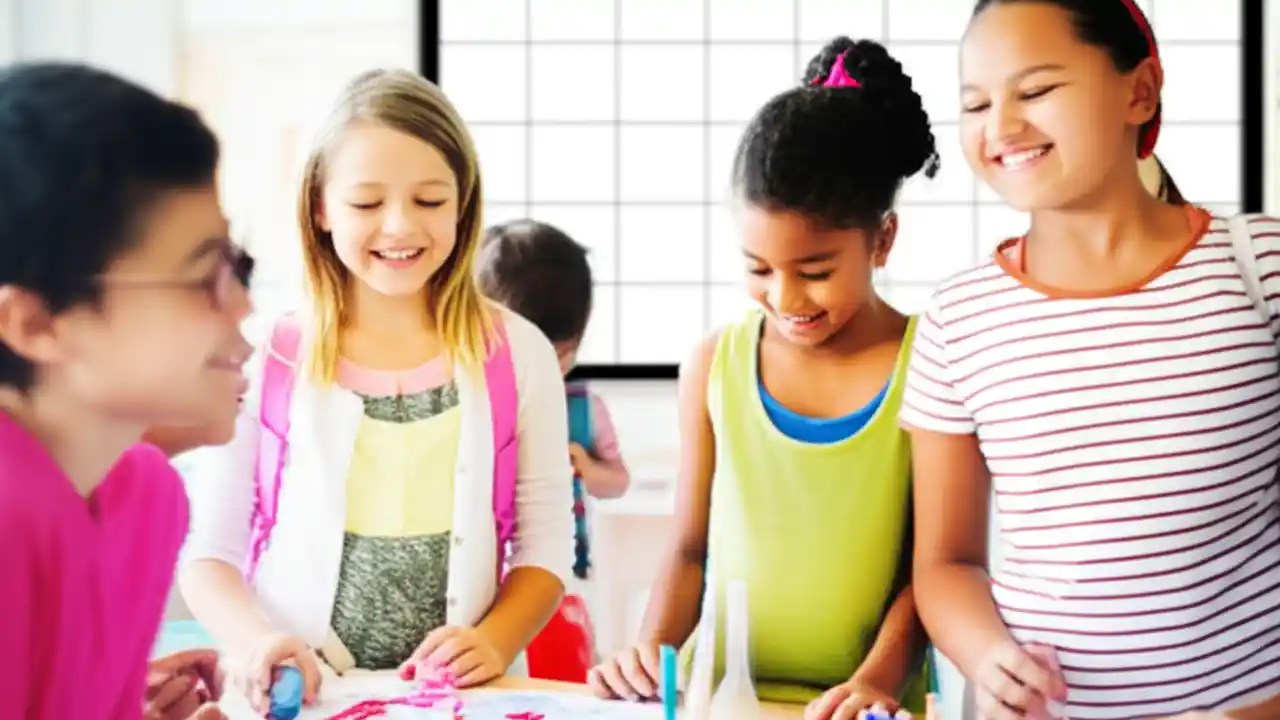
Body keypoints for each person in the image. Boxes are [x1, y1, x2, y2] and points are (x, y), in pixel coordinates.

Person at [902, 2, 1280, 719]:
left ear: (1139, 92)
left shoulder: (1259, 264)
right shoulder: (957, 319)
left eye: (1036, 90)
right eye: (976, 103)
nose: (1001, 126)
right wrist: (988, 656)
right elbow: (945, 564)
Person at [178, 68, 575, 714]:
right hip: (299, 695)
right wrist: (258, 643)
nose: (399, 227)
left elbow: (546, 543)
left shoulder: (518, 351)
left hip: (465, 700)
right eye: (366, 204)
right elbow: (208, 554)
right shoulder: (266, 353)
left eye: (429, 200)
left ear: (464, 203)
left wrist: (495, 642)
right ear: (320, 207)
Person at [589, 37, 940, 719]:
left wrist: (873, 684)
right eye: (757, 269)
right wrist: (648, 653)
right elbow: (689, 547)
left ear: (883, 240)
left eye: (815, 272)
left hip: (861, 707)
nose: (787, 299)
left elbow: (929, 572)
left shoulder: (928, 361)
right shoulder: (714, 363)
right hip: (713, 700)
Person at [0, 62, 252, 719]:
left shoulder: (148, 498)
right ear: (37, 322)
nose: (245, 306)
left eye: (238, 266)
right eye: (208, 275)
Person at [476, 219, 631, 681]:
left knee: (559, 676)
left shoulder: (585, 409)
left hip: (564, 579)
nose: (543, 373)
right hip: (485, 583)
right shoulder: (474, 398)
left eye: (559, 358)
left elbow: (618, 481)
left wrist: (585, 467)